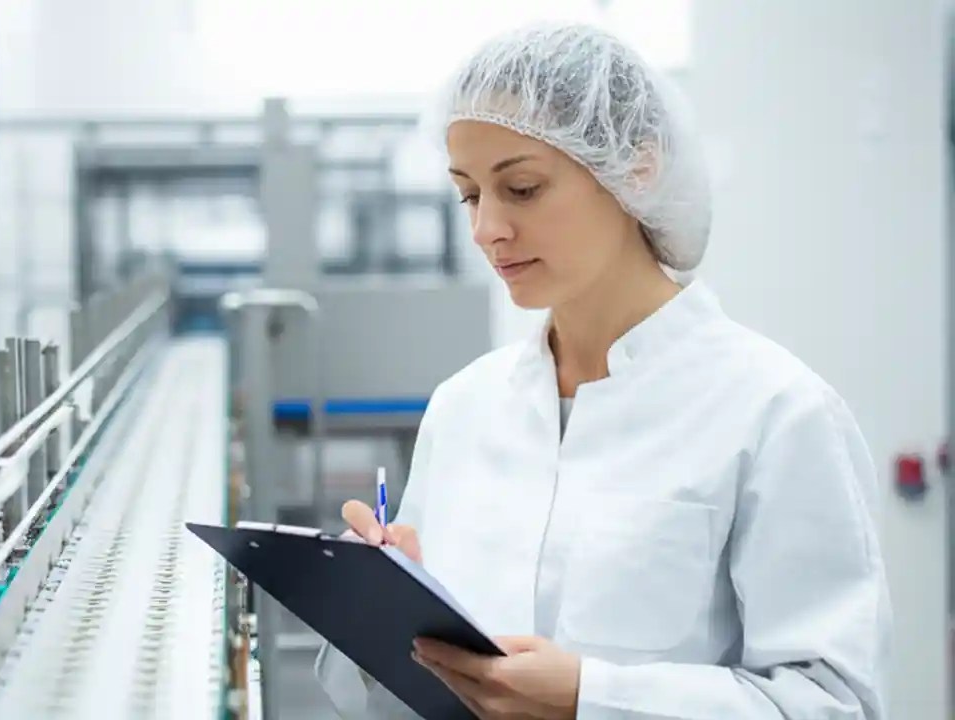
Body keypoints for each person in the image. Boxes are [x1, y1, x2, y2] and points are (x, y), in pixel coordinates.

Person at [314, 21, 891, 720]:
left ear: (636, 167)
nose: (486, 229)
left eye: (521, 188)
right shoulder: (465, 407)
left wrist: (593, 699)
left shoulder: (775, 413)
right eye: (470, 194)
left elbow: (836, 705)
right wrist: (383, 605)